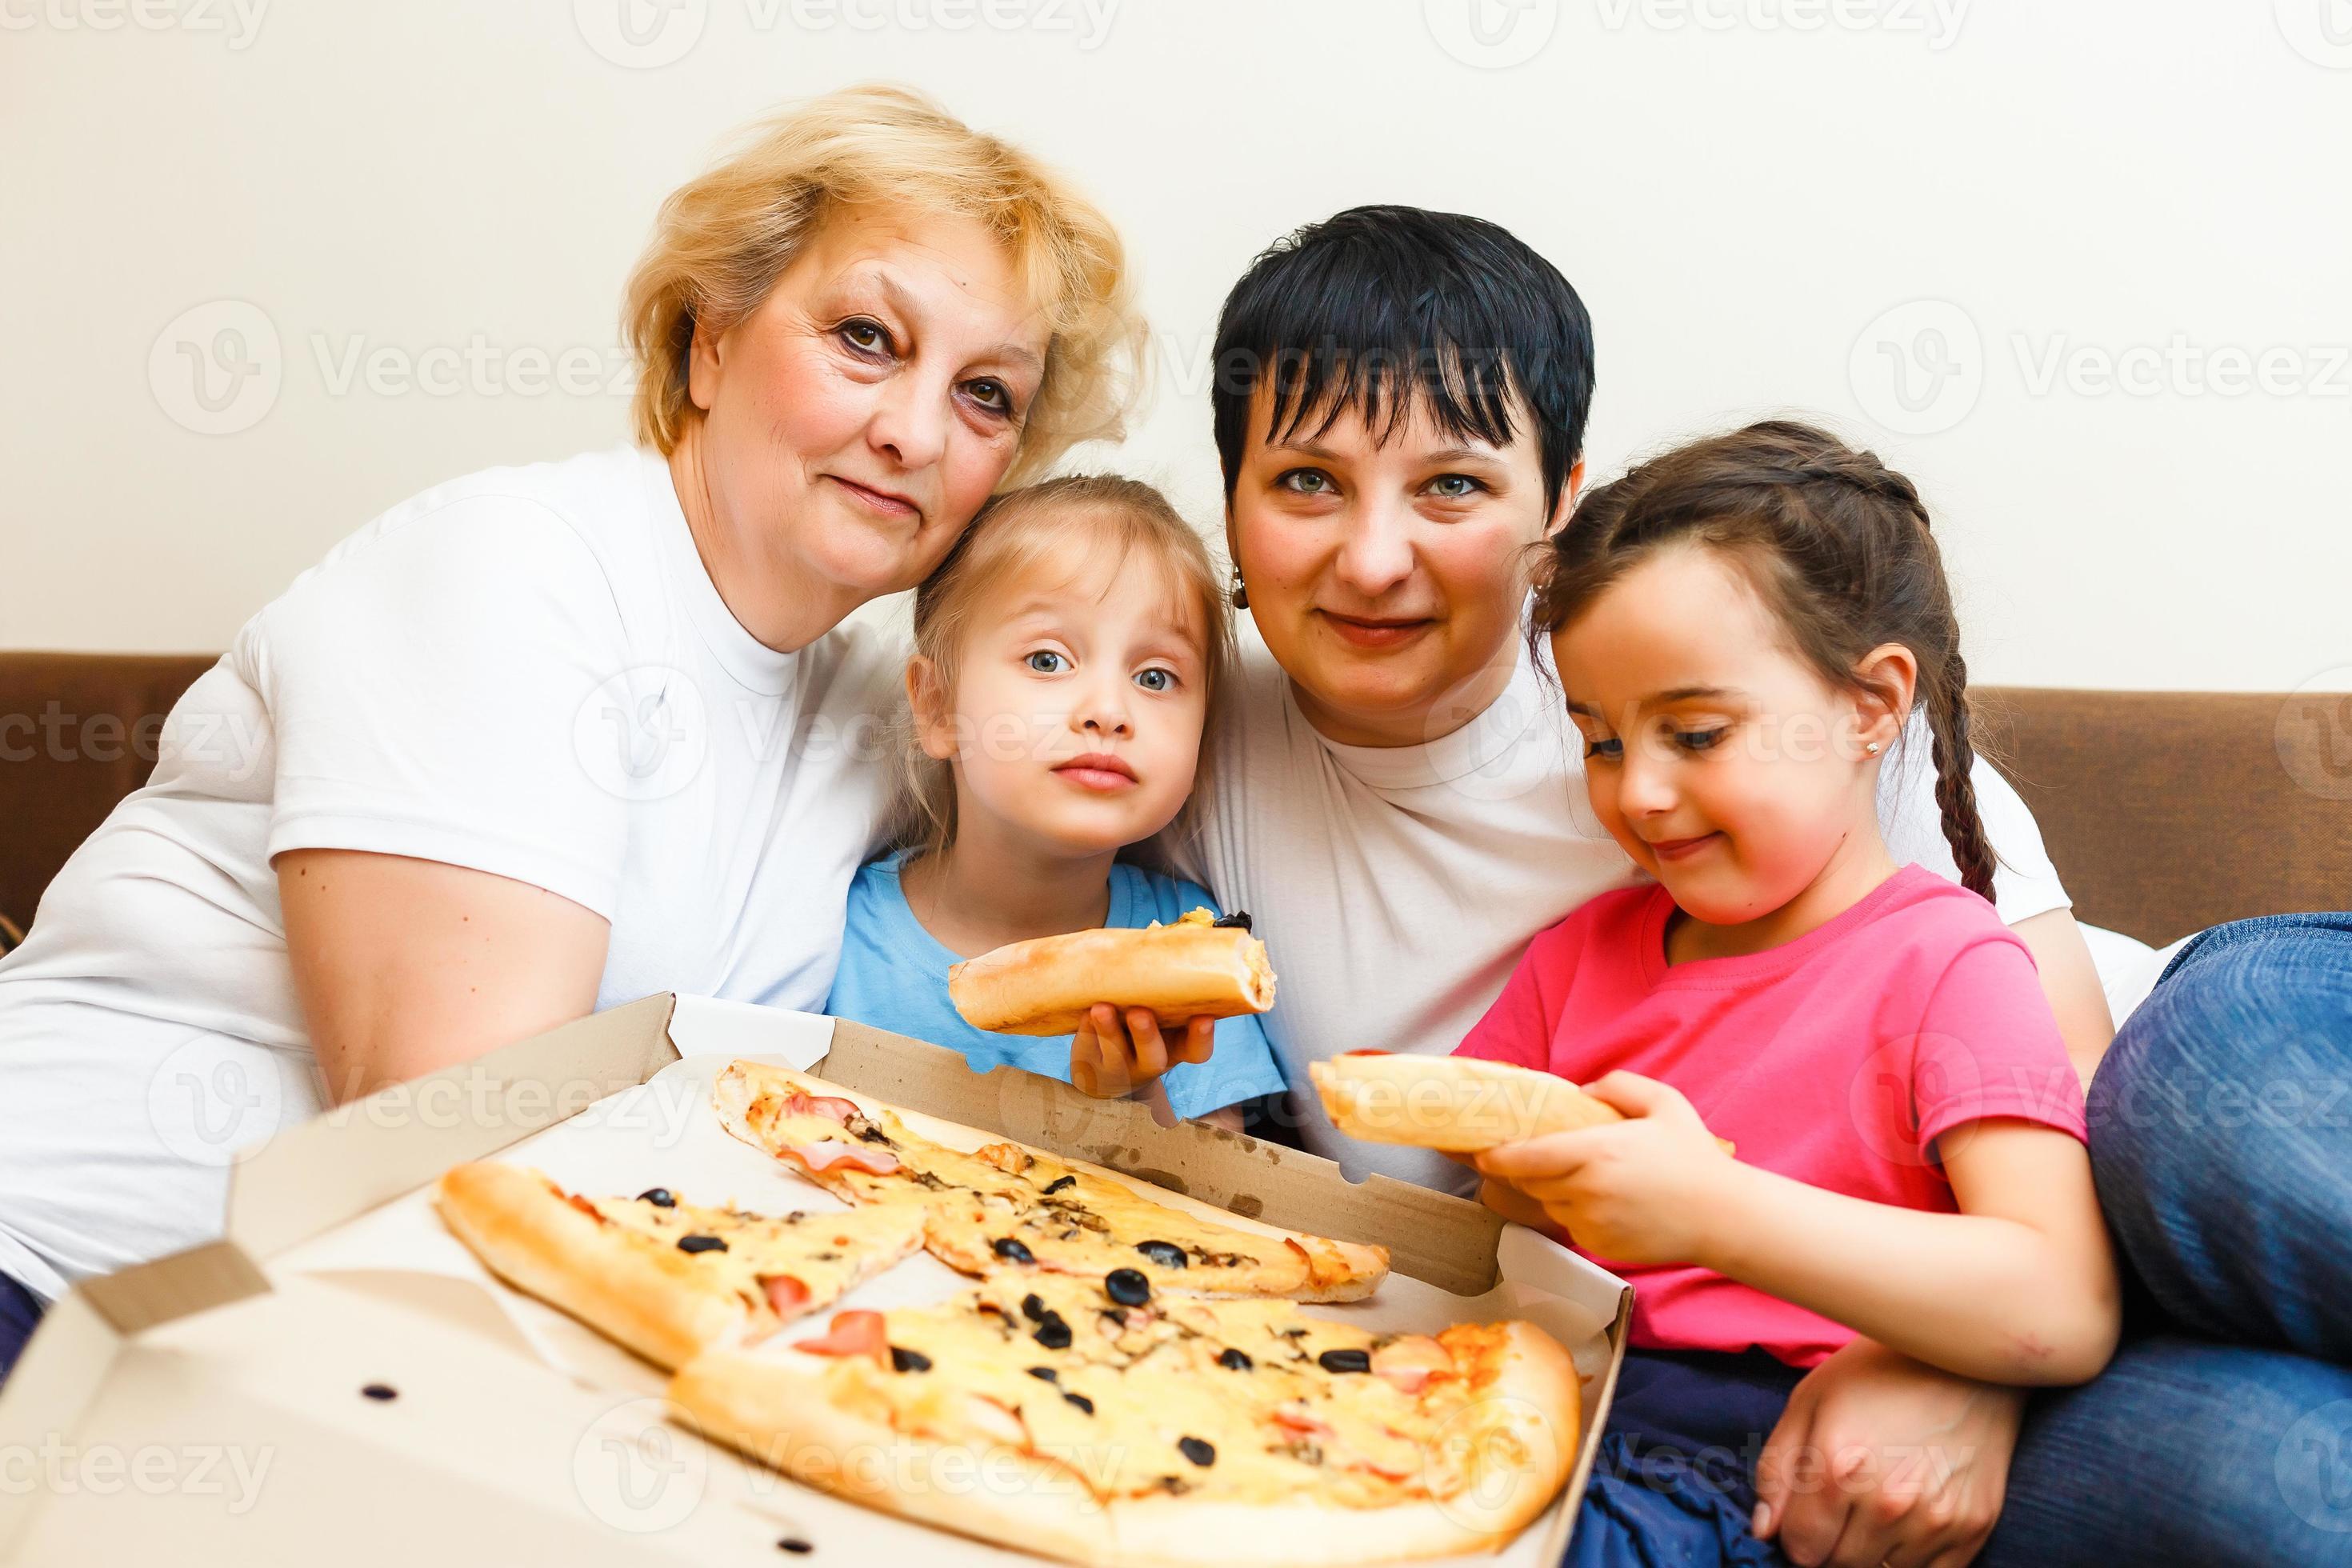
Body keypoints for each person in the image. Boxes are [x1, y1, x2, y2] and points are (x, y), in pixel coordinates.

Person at [0, 83, 1144, 1386]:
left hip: (342, 1355)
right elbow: (446, 1148)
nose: (915, 431)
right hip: (58, 1288)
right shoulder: (510, 570)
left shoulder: (874, 719)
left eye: (988, 396)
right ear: (708, 340)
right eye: (867, 338)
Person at [1170, 205, 2120, 1566]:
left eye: (1451, 486)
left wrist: (1958, 1364)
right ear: (1231, 501)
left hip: (2072, 1212)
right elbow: (1477, 1213)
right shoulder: (1176, 736)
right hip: (1609, 1396)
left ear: (1558, 503)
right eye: (1308, 481)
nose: (1372, 560)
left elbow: (2070, 1207)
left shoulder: (1800, 718)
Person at [1453, 421, 2118, 1561]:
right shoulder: (1578, 955)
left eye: (1697, 733)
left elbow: (2061, 1301)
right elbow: (1484, 1206)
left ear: (1869, 707)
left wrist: (1706, 1211)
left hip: (1761, 1465)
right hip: (1542, 1407)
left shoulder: (1947, 964)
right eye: (1602, 742)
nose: (1642, 793)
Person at [825, 474, 1286, 1128]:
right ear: (937, 706)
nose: (1107, 710)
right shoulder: (839, 931)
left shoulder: (1198, 947)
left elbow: (1218, 1208)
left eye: (1155, 677)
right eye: (1047, 660)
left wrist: (1133, 1094)